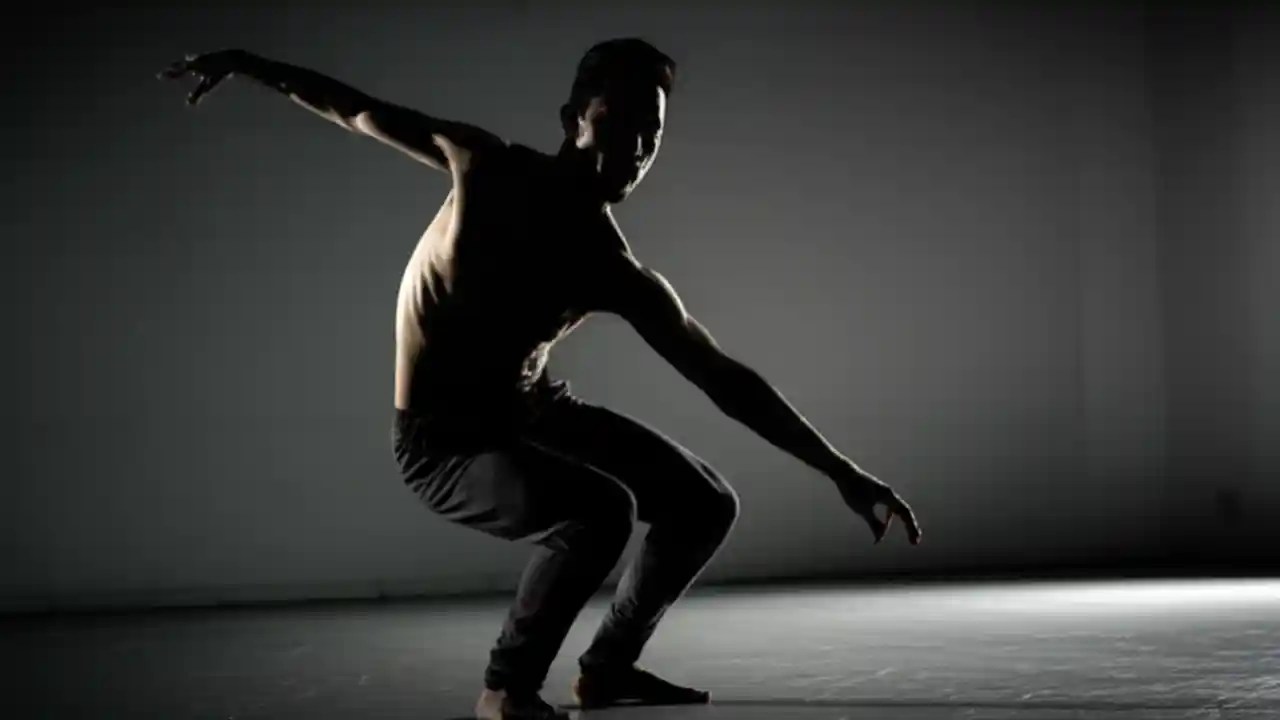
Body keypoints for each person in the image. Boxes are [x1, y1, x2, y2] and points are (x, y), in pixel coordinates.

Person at [161, 37, 923, 720]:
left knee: (703, 502)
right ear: (573, 120)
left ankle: (607, 669)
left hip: (532, 411)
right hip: (443, 441)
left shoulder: (614, 268)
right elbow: (356, 111)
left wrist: (841, 471)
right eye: (618, 124)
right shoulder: (485, 169)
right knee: (600, 513)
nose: (635, 149)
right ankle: (505, 690)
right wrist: (250, 65)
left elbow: (722, 378)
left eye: (652, 135)